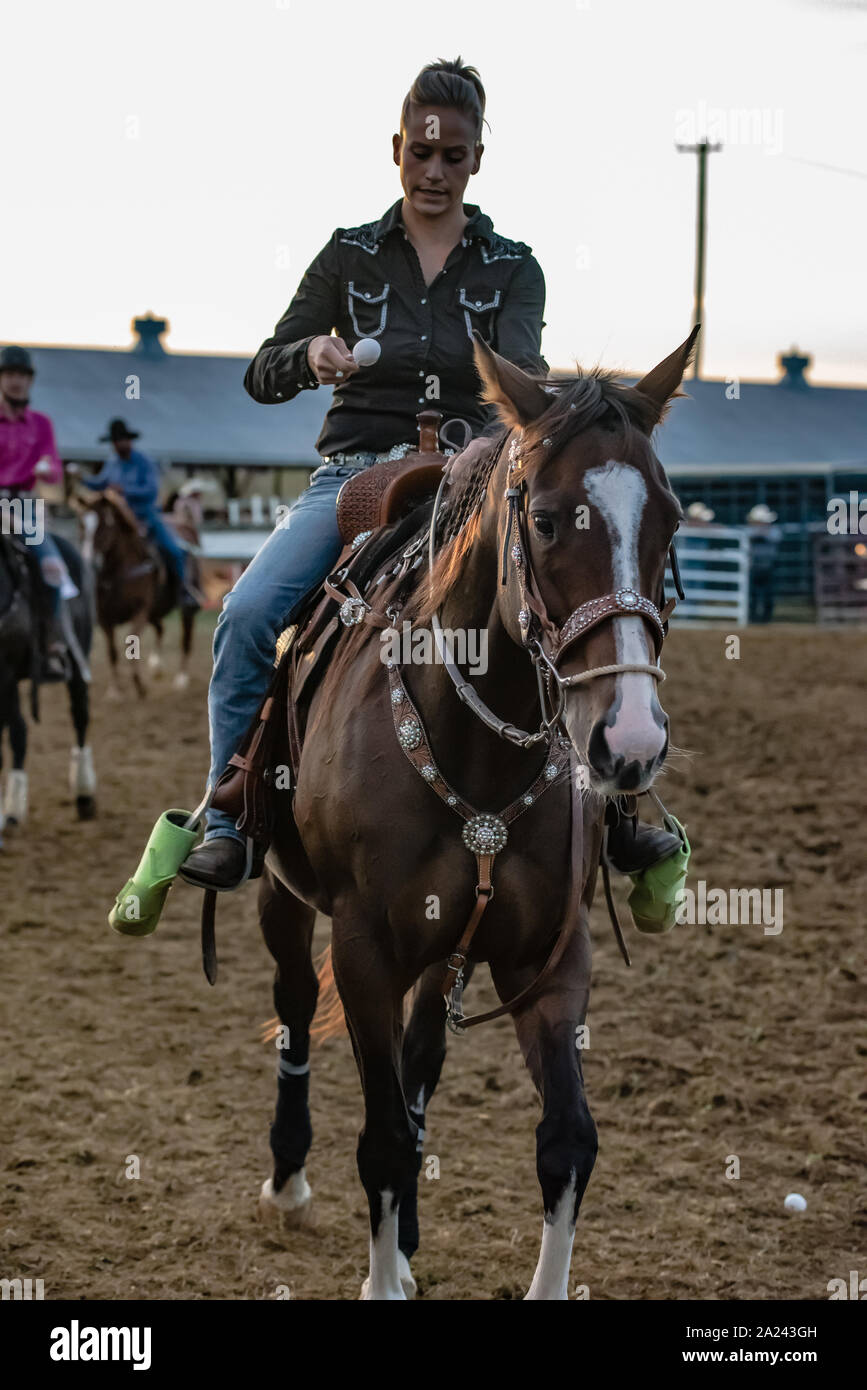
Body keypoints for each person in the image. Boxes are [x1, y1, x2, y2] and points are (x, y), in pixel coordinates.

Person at [180, 56, 682, 894]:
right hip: (353, 478)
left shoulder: (513, 266)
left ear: (477, 158)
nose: (436, 171)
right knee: (246, 614)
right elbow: (262, 371)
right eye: (422, 153)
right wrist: (308, 354)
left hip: (473, 475)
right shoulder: (346, 256)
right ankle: (229, 812)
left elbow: (521, 378)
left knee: (590, 587)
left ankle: (624, 805)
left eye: (454, 155)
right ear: (397, 150)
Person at [0, 344, 77, 678]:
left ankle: (52, 642)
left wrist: (47, 469)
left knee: (51, 565)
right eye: (10, 374)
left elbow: (56, 470)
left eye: (22, 375)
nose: (16, 381)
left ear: (30, 381)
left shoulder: (41, 424)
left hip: (25, 505)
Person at [78, 419, 195, 604]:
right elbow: (101, 482)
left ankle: (183, 589)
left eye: (121, 440)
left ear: (129, 441)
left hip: (145, 515)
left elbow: (151, 489)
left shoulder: (144, 462)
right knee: (102, 544)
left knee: (172, 550)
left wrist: (125, 490)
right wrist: (81, 478)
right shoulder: (112, 462)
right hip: (120, 518)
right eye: (115, 441)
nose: (118, 444)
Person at [746, 503, 782, 622]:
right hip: (754, 566)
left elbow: (775, 536)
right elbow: (748, 534)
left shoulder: (774, 531)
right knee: (753, 594)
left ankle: (766, 618)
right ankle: (753, 617)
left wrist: (759, 533)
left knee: (768, 594)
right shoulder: (750, 531)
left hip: (769, 566)